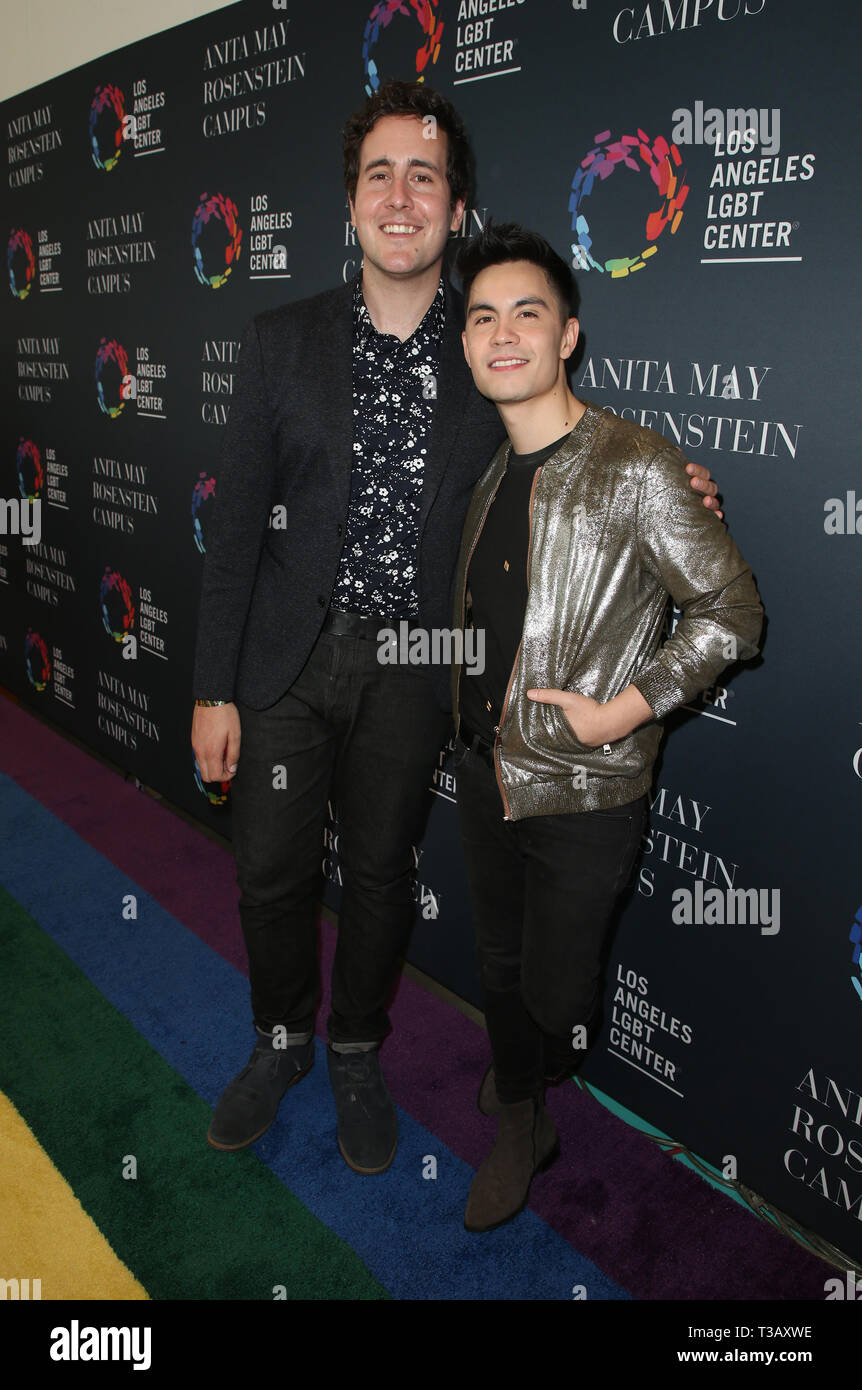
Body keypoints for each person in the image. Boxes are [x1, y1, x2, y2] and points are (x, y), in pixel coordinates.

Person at [191, 83, 720, 1177]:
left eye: (422, 175)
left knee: (381, 872)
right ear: (350, 206)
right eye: (378, 174)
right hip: (285, 656)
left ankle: (350, 1047)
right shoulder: (279, 341)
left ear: (454, 206)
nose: (399, 195)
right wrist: (212, 688)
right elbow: (236, 527)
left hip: (416, 664)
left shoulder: (488, 346)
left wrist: (675, 485)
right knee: (269, 874)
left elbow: (570, 444)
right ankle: (280, 1037)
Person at [450, 222, 763, 1231]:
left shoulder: (636, 464)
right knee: (497, 963)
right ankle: (521, 1123)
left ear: (568, 335)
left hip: (586, 787)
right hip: (486, 772)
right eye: (482, 317)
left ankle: (534, 1070)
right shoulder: (492, 474)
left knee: (554, 992)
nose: (503, 334)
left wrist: (620, 712)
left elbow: (731, 613)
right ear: (466, 342)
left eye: (525, 314)